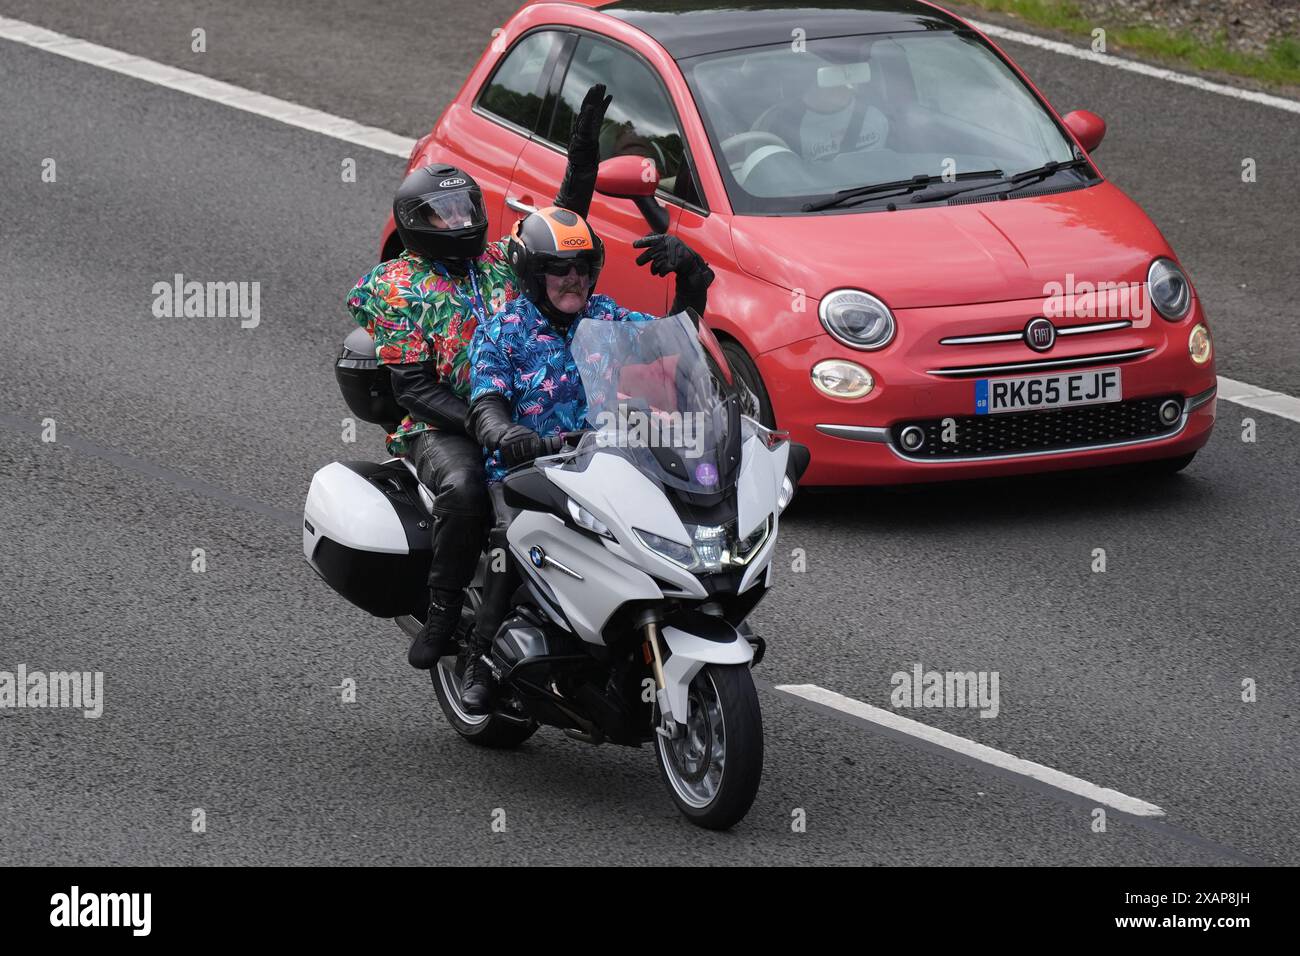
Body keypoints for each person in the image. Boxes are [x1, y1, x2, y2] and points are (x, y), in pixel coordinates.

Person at [346, 85, 612, 671]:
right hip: (441, 424)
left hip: (523, 410)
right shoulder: (395, 286)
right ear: (417, 222)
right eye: (444, 214)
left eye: (465, 209)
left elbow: (562, 232)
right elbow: (411, 388)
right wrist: (486, 424)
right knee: (468, 492)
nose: (458, 222)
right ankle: (442, 612)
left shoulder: (496, 262)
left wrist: (583, 160)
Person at [460, 206, 714, 713]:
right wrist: (507, 434)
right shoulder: (501, 332)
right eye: (559, 268)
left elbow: (680, 341)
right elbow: (484, 406)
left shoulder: (606, 317)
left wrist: (693, 277)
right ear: (533, 275)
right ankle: (481, 659)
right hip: (532, 472)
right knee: (512, 542)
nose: (573, 278)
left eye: (581, 266)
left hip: (607, 462)